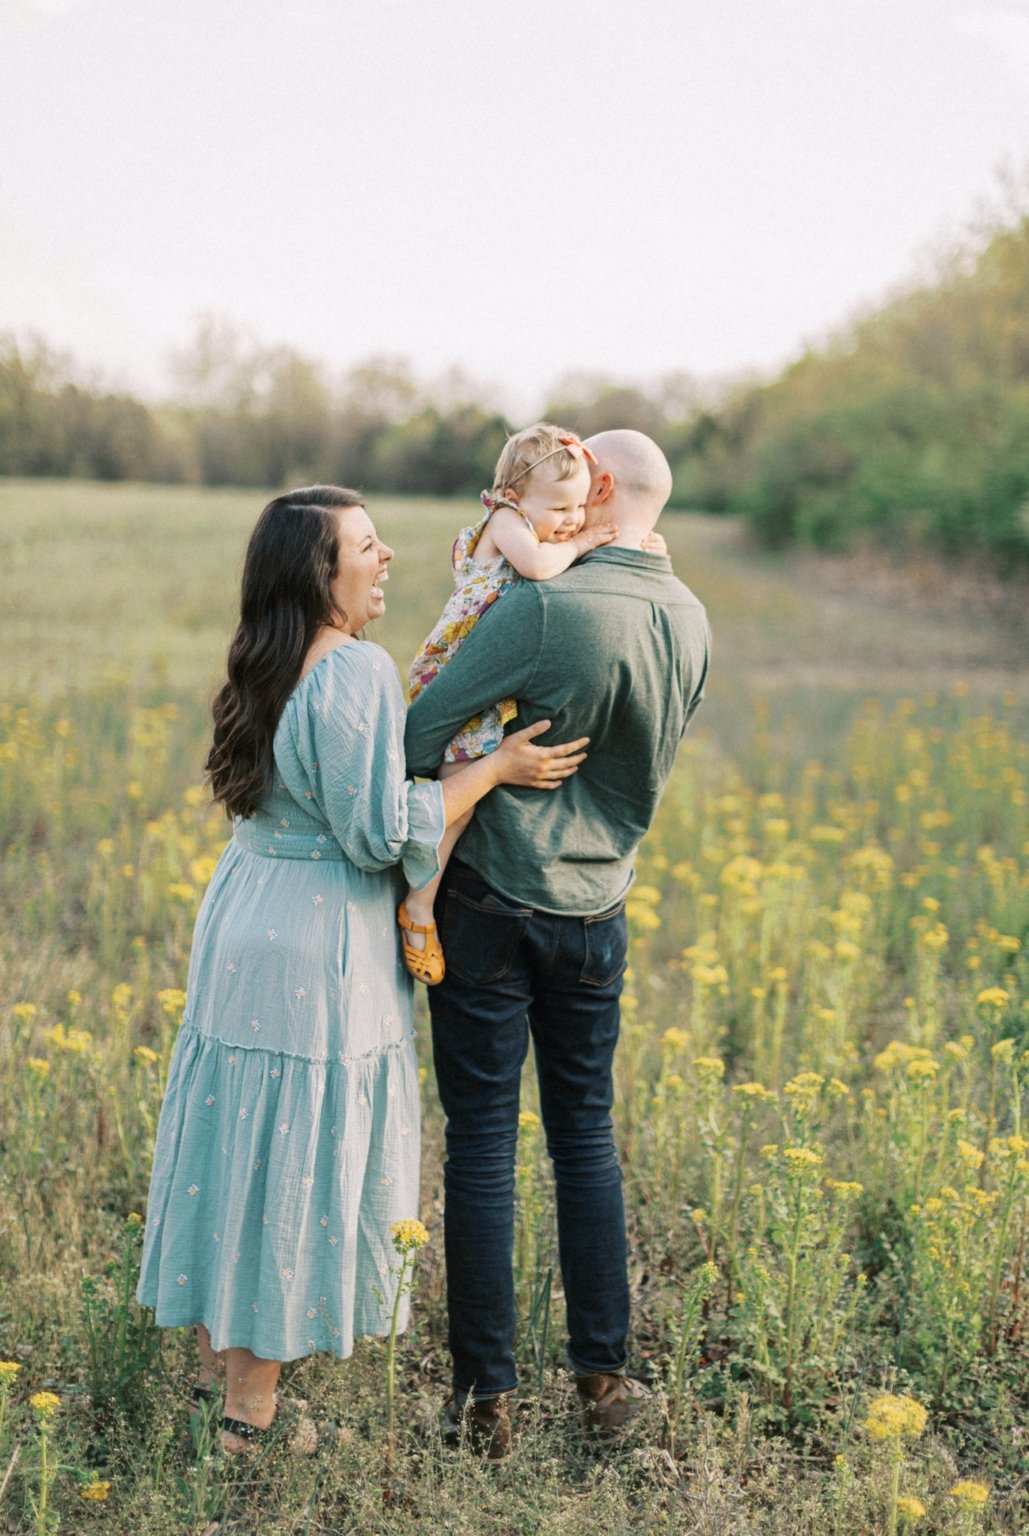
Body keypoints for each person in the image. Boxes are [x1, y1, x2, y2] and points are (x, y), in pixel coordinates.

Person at [136, 485, 589, 1454]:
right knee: (288, 1158)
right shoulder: (352, 673)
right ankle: (247, 1428)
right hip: (315, 939)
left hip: (246, 910)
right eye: (367, 547)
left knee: (241, 1142)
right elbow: (385, 831)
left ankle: (230, 1377)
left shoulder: (263, 657)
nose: (387, 560)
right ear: (319, 573)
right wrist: (491, 771)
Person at [404, 431, 711, 1458]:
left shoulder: (546, 603)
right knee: (586, 1136)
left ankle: (484, 1401)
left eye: (583, 472)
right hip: (602, 904)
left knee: (484, 1140)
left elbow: (414, 737)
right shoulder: (691, 617)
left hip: (492, 895)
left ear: (607, 487)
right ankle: (603, 1385)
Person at [397, 423, 617, 986]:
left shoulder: (536, 525)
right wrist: (587, 543)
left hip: (488, 683)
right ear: (515, 498)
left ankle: (419, 894)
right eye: (561, 507)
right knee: (458, 804)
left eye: (579, 508)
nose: (572, 520)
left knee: (462, 800)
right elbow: (542, 568)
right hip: (460, 674)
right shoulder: (506, 522)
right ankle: (418, 908)